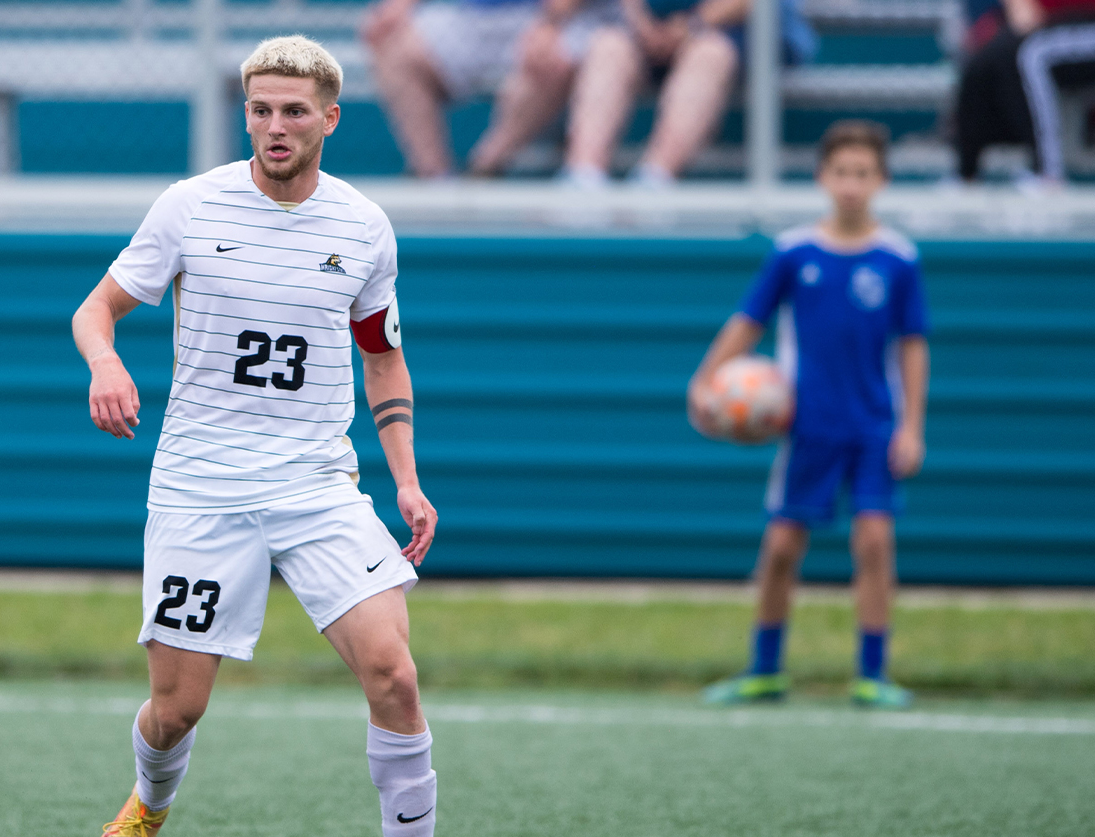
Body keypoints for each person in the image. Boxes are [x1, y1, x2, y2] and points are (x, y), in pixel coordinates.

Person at [72, 35, 480, 837]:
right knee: (177, 711)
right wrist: (106, 363)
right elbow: (95, 308)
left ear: (330, 118)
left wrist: (406, 481)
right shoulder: (189, 206)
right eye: (261, 108)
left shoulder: (365, 226)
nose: (275, 125)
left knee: (395, 675)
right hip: (201, 486)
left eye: (295, 110)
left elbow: (384, 361)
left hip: (317, 483)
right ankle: (145, 803)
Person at [691, 120, 930, 709]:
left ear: (882, 180)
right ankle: (765, 668)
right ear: (823, 176)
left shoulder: (898, 258)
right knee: (781, 546)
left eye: (864, 174)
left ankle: (873, 673)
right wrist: (705, 379)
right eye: (842, 172)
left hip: (873, 425)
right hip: (807, 427)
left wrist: (913, 426)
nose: (851, 184)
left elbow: (913, 345)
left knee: (874, 542)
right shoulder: (795, 251)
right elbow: (749, 321)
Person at [473, 0, 816, 184]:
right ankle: (584, 176)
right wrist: (641, 24)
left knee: (709, 54)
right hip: (650, 35)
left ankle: (655, 179)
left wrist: (691, 26)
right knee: (608, 46)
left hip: (729, 36)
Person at [363, 0, 545, 177]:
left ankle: (484, 170)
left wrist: (552, 23)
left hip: (541, 17)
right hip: (470, 15)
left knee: (553, 55)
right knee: (392, 43)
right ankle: (433, 179)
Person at [953, 0, 1095, 185]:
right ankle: (966, 175)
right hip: (1065, 19)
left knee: (1034, 54)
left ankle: (1048, 173)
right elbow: (1026, 18)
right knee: (986, 57)